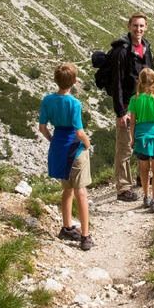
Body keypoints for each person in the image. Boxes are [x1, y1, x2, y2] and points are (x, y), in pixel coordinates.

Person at [38, 62, 94, 250]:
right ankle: (85, 236)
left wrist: (52, 139)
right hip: (74, 148)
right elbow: (79, 132)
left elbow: (42, 127)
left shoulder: (47, 100)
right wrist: (87, 144)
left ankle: (66, 226)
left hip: (58, 147)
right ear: (74, 82)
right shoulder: (74, 103)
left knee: (67, 189)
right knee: (81, 191)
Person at [109, 13, 154, 201]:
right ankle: (123, 187)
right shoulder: (122, 51)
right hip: (128, 104)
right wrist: (121, 111)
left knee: (142, 139)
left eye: (142, 26)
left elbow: (152, 75)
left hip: (143, 103)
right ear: (129, 26)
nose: (138, 29)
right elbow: (117, 82)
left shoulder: (147, 48)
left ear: (146, 28)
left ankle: (141, 175)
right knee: (125, 146)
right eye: (135, 26)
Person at [128, 67, 154, 212]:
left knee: (143, 168)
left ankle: (145, 196)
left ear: (140, 81)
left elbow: (132, 122)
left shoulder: (135, 99)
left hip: (141, 137)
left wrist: (131, 138)